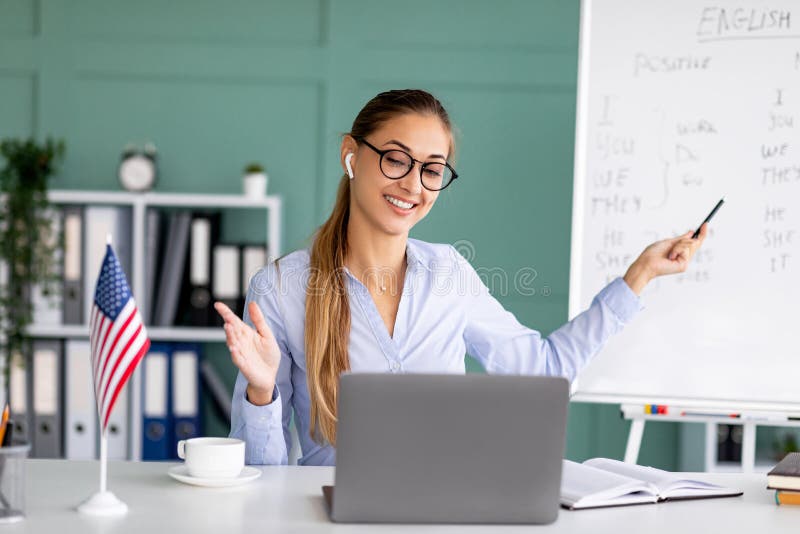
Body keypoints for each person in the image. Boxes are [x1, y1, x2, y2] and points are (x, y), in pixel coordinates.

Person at [214, 89, 708, 466]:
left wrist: (640, 275)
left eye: (432, 170)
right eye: (395, 159)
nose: (413, 184)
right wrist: (262, 390)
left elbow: (543, 372)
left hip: (445, 514)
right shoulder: (282, 287)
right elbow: (260, 476)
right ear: (352, 155)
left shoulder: (449, 274)